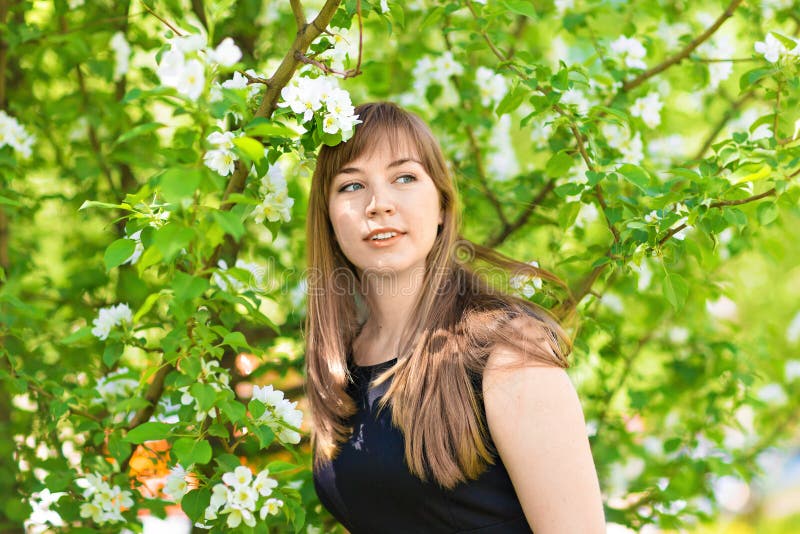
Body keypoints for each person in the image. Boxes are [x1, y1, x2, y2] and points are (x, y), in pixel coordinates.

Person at [305, 101, 605, 533]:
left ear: (443, 206)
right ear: (330, 218)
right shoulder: (343, 362)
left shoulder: (508, 353)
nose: (379, 204)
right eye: (351, 186)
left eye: (404, 177)